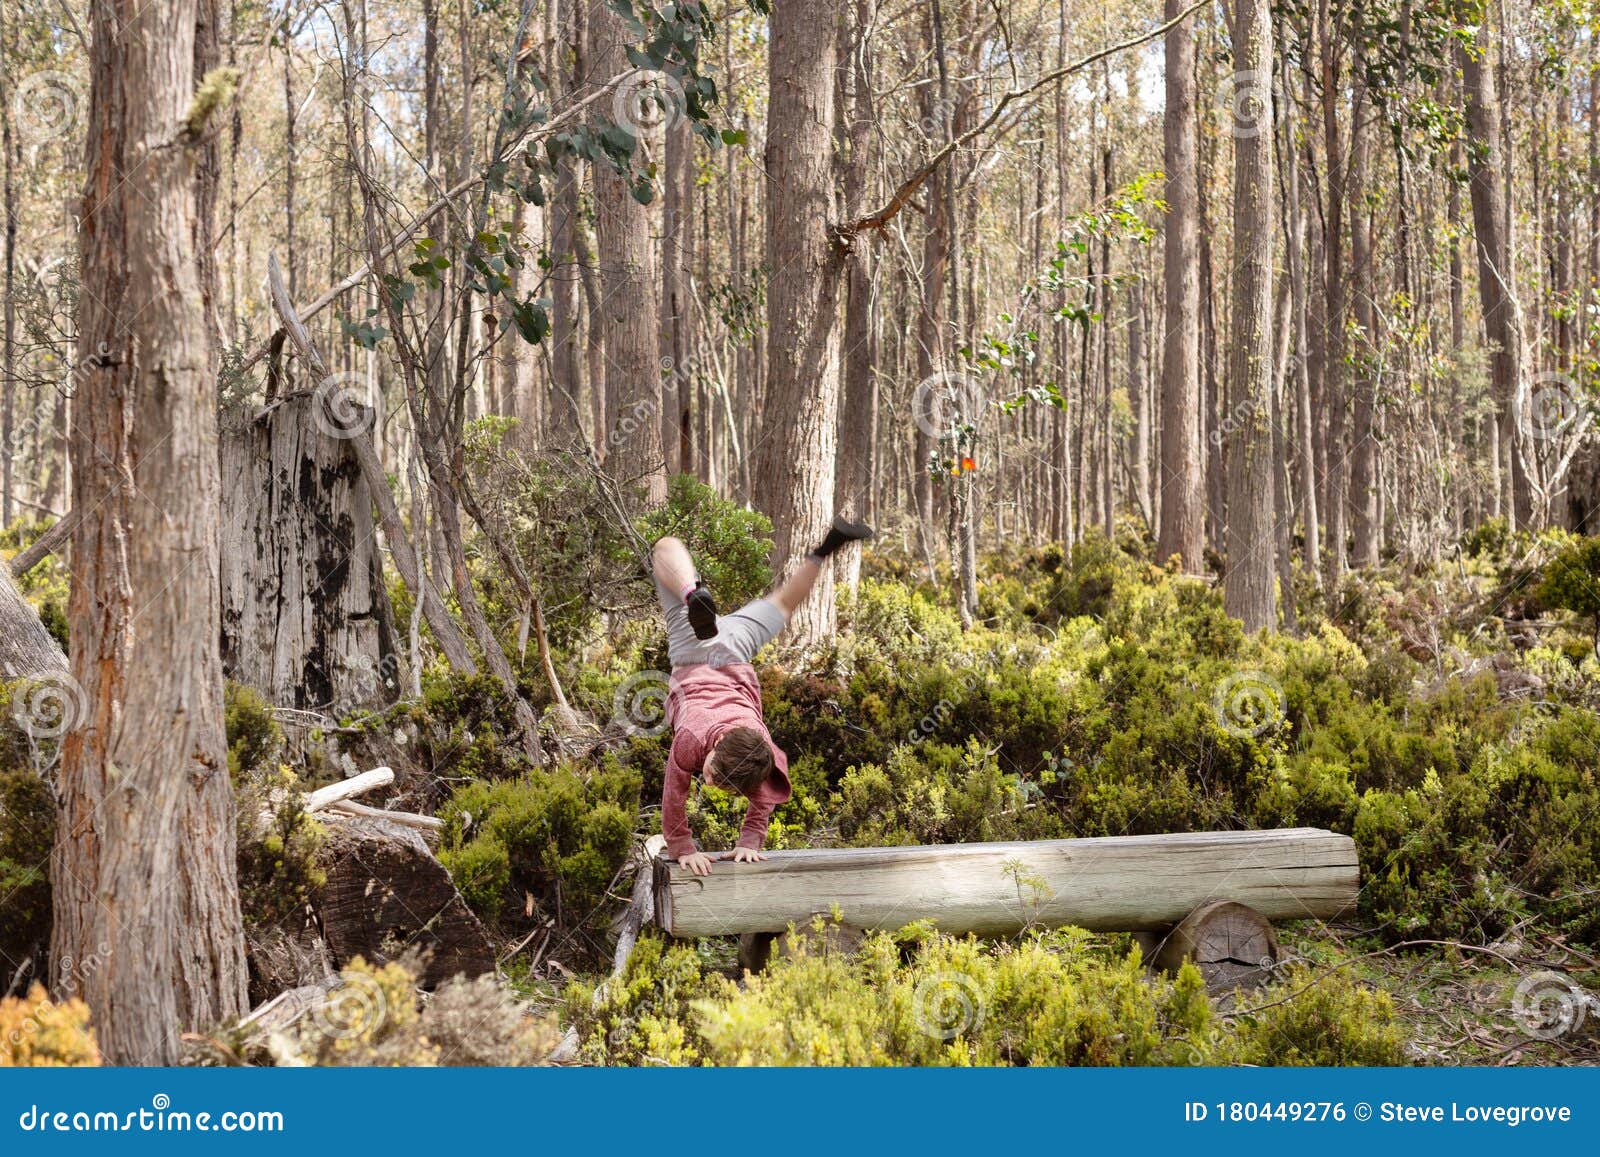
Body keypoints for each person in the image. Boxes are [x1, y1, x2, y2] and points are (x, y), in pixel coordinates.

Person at [652, 515, 872, 876]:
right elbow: (674, 793)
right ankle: (694, 594)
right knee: (664, 547)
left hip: (734, 649)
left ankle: (823, 549)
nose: (707, 782)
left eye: (715, 780)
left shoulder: (760, 752)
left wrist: (749, 842)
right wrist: (681, 848)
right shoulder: (691, 738)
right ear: (719, 744)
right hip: (696, 649)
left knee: (782, 602)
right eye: (712, 774)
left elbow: (763, 793)